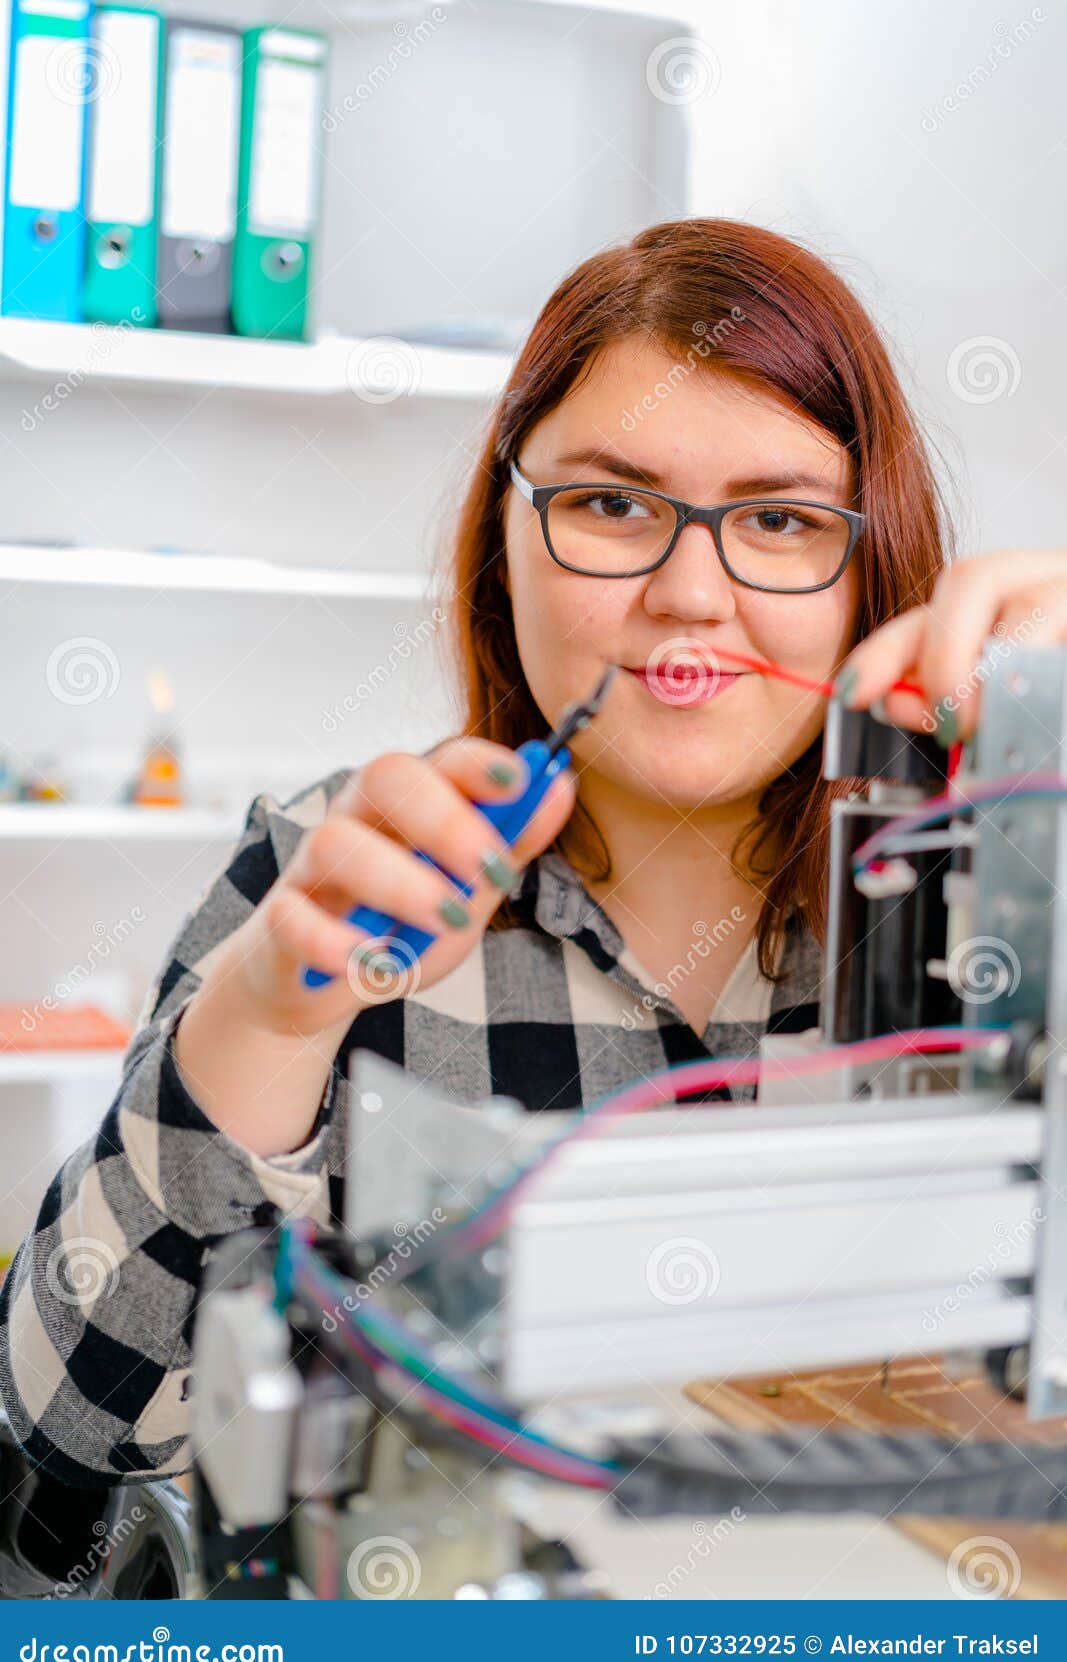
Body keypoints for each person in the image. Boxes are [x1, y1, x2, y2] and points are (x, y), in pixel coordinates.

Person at [2, 218, 1065, 1491]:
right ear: (504, 546)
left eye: (778, 519)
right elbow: (71, 1449)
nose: (688, 591)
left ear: (870, 566)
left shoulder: (990, 877)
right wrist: (266, 1025)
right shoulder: (330, 869)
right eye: (612, 505)